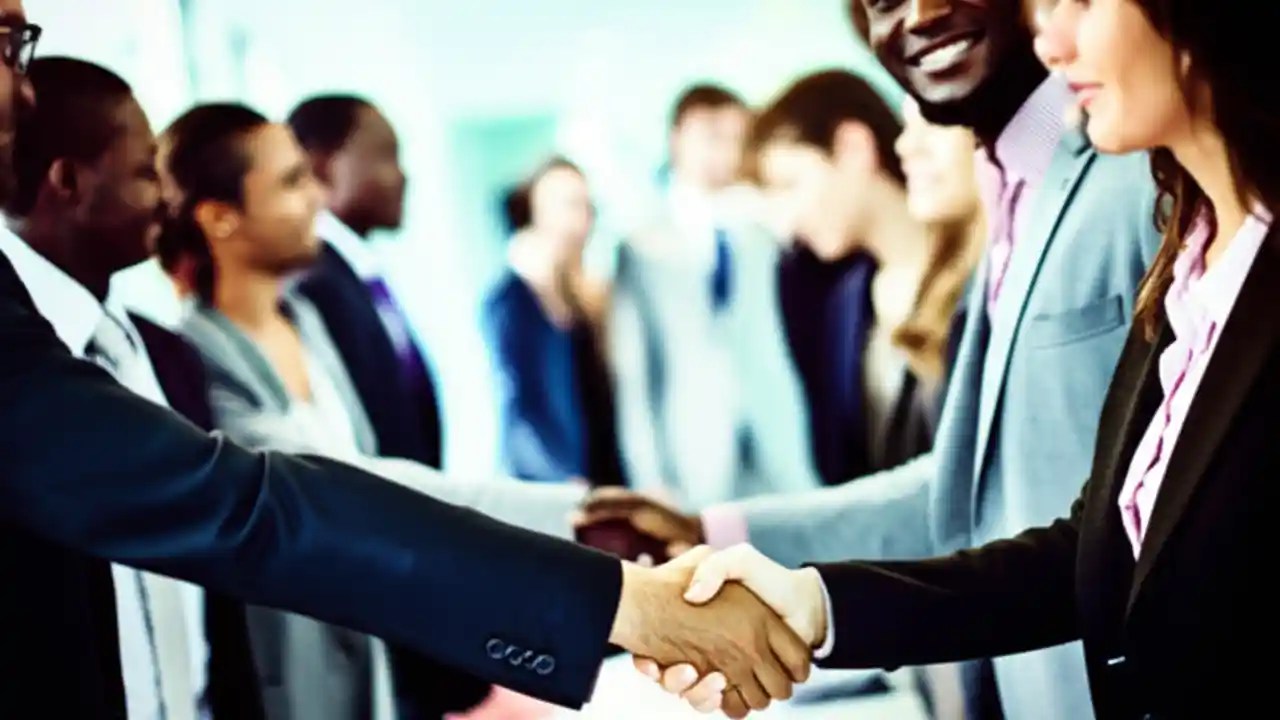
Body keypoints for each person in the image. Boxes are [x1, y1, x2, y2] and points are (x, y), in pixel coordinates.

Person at [0, 4, 809, 719]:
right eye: (7, 44)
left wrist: (581, 537)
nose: (22, 90)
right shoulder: (181, 355)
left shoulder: (169, 349)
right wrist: (613, 598)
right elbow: (269, 504)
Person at [650, 1, 1280, 717]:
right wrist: (819, 606)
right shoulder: (1179, 261)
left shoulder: (1136, 188)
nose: (1051, 40)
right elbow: (1077, 542)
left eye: (1080, 1)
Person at [158, 103, 666, 720]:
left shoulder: (307, 324)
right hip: (290, 675)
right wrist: (570, 513)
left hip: (368, 648)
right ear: (219, 217)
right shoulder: (195, 361)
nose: (316, 198)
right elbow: (354, 483)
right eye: (291, 183)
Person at [3, 55, 265, 720]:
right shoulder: (20, 372)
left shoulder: (170, 354)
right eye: (147, 172)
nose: (168, 199)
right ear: (68, 181)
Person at [609, 83, 818, 508]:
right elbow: (633, 372)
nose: (723, 152)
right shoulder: (641, 246)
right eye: (711, 136)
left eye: (735, 139)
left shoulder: (768, 228)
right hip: (693, 448)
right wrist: (649, 475)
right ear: (676, 138)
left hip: (782, 435)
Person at [287, 95, 444, 470]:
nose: (402, 176)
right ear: (322, 168)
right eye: (386, 156)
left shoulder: (359, 274)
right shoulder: (315, 284)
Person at [484, 157, 627, 486]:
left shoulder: (589, 300)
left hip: (604, 478)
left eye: (587, 207)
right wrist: (562, 477)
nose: (579, 220)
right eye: (568, 205)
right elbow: (519, 405)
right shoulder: (510, 301)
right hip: (551, 483)